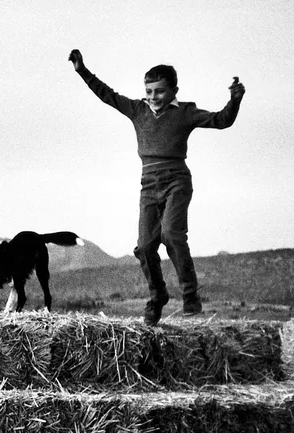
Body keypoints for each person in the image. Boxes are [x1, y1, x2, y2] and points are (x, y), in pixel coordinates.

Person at [68, 49, 246, 325]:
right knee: (145, 247)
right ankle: (158, 296)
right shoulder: (138, 110)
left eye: (159, 91)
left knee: (172, 235)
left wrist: (234, 100)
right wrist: (82, 70)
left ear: (174, 90)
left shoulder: (185, 112)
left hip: (177, 181)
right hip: (148, 185)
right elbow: (107, 95)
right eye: (149, 91)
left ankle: (190, 293)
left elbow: (222, 120)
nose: (153, 97)